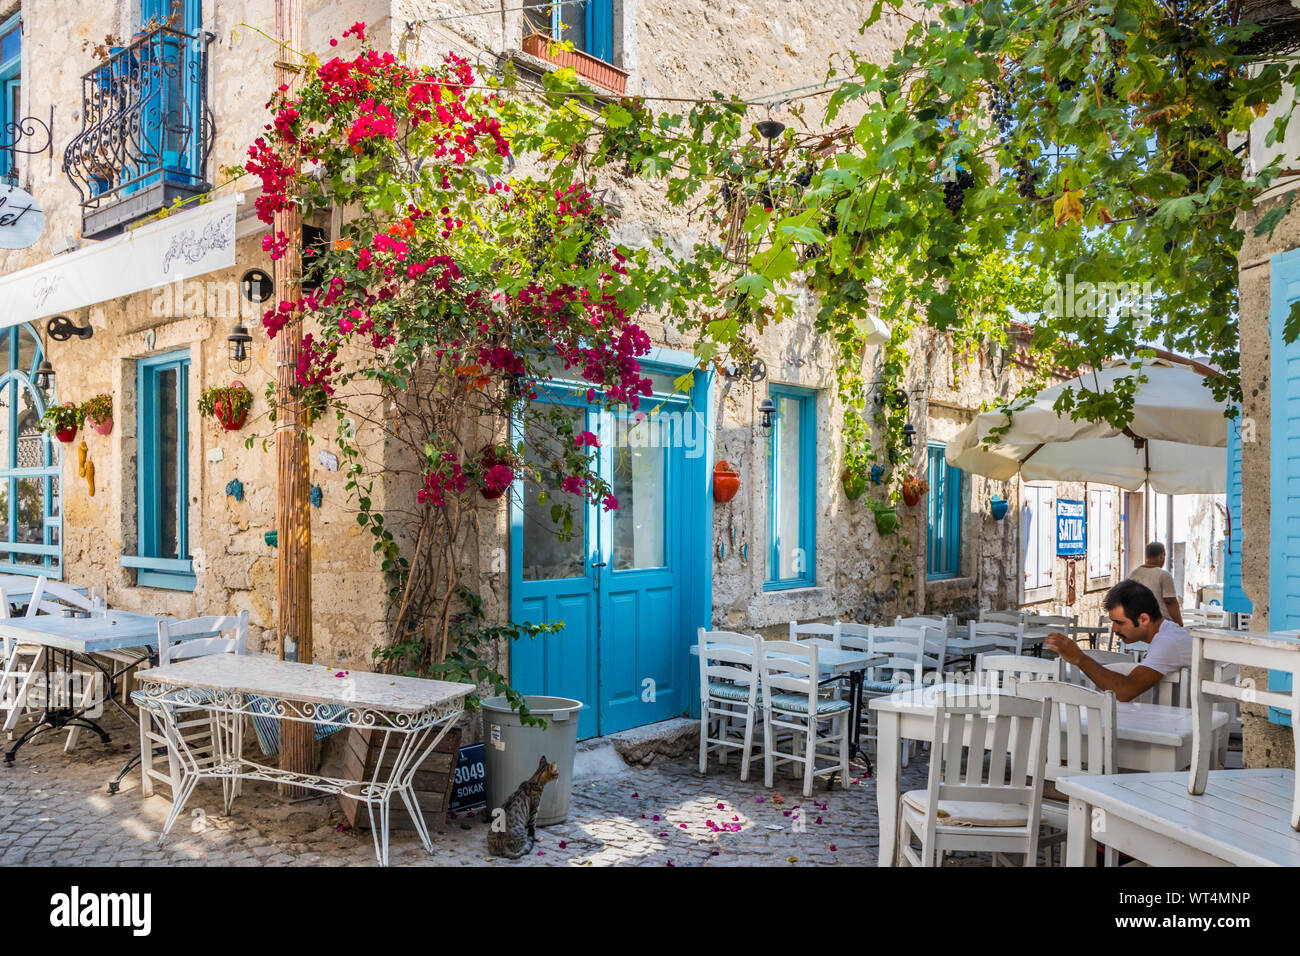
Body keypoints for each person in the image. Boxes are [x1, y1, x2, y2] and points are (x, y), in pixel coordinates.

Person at [1044, 579, 1191, 703]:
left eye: (1120, 623)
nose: (1114, 629)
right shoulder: (1167, 634)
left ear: (1144, 619)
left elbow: (1125, 691)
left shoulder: (1167, 641)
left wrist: (1080, 658)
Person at [1125, 541, 1183, 626]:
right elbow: (1170, 602)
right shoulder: (1163, 575)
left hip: (1139, 623)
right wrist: (1179, 623)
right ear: (1161, 555)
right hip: (1161, 624)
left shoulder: (1132, 575)